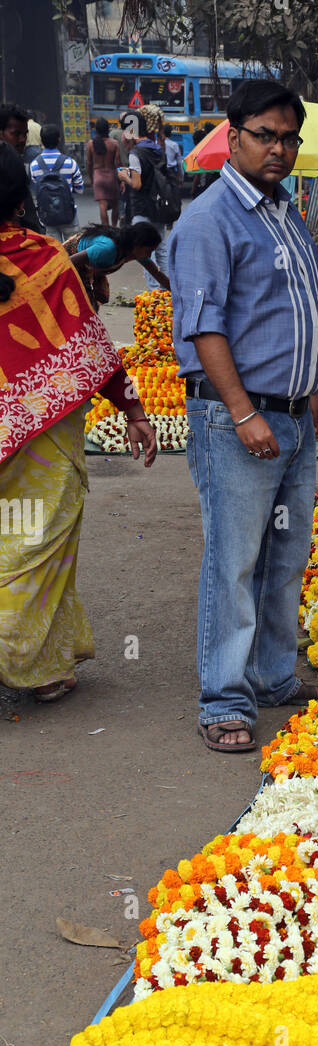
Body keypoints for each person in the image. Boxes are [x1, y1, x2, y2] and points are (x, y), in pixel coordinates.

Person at [168, 78, 318, 753]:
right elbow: (204, 329)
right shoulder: (210, 220)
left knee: (285, 556)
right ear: (232, 136)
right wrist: (241, 412)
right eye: (267, 135)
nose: (280, 148)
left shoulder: (283, 212)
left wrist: (310, 390)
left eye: (290, 138)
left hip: (294, 417)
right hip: (240, 421)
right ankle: (224, 698)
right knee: (234, 561)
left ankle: (269, 673)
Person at [0, 145, 156, 703]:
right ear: (22, 199)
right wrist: (133, 410)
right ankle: (22, 656)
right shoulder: (43, 259)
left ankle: (54, 658)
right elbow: (89, 346)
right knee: (38, 546)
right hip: (40, 434)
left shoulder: (52, 256)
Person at [117, 104, 175, 290]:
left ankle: (153, 291)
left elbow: (137, 183)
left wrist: (124, 176)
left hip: (142, 208)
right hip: (159, 206)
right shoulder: (157, 148)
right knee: (161, 249)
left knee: (143, 252)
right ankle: (167, 288)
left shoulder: (135, 153)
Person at [64, 220, 168, 309]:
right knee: (84, 308)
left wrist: (177, 293)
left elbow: (156, 273)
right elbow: (68, 261)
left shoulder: (134, 251)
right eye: (148, 250)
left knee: (94, 304)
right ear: (138, 244)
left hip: (92, 270)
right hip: (70, 266)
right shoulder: (108, 249)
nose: (149, 255)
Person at [30, 123, 83, 241]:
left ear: (42, 141)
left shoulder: (34, 165)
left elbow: (36, 189)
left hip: (47, 216)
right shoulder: (70, 163)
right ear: (59, 139)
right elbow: (80, 189)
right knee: (73, 251)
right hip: (69, 215)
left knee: (55, 252)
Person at [0, 103, 42, 232]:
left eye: (25, 134)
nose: (23, 140)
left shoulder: (16, 166)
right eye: (16, 134)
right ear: (1, 133)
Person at [86, 117, 121, 227]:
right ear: (108, 129)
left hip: (98, 176)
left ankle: (106, 230)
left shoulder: (91, 144)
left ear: (96, 129)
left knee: (102, 204)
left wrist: (91, 178)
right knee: (115, 204)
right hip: (111, 175)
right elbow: (118, 163)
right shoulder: (114, 144)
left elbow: (89, 163)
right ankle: (114, 227)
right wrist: (122, 180)